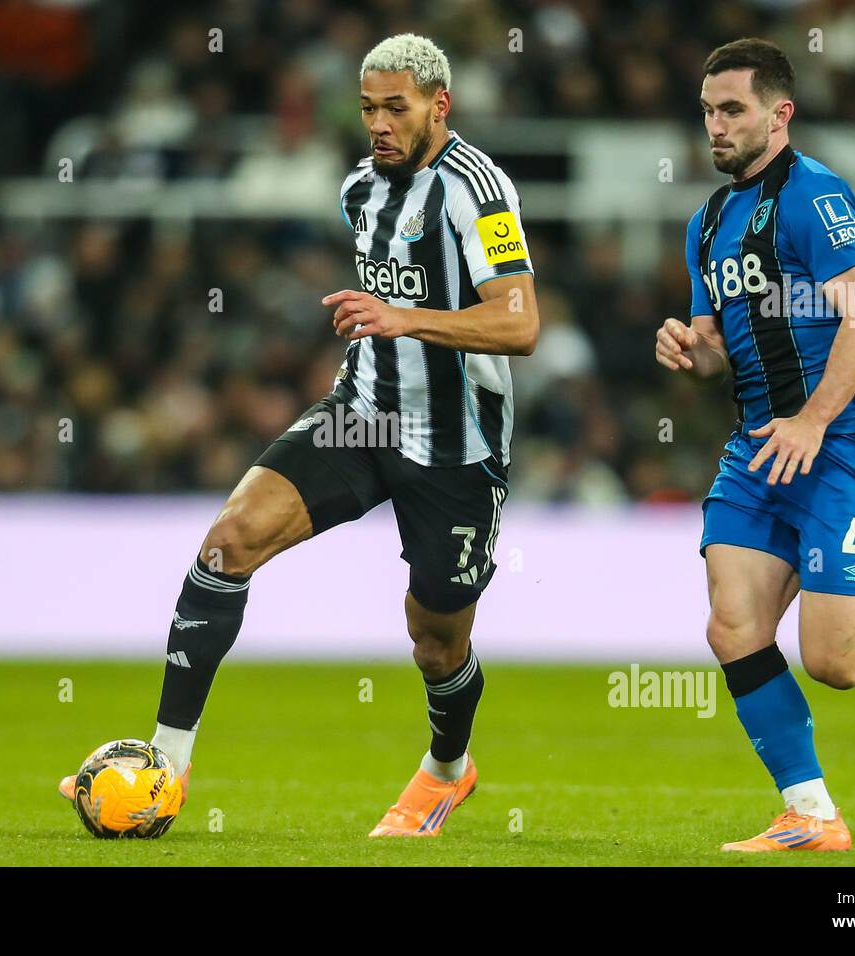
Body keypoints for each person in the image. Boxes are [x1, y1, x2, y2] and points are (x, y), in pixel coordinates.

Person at [61, 33, 538, 837]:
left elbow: (521, 322)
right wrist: (382, 330)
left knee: (436, 639)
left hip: (456, 446)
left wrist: (402, 318)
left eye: (397, 108)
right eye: (368, 109)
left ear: (438, 105)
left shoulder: (479, 190)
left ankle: (448, 770)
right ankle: (167, 767)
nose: (380, 124)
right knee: (227, 542)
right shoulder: (358, 188)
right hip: (360, 412)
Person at [655, 38, 855, 852]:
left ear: (778, 113)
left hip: (845, 451)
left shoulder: (815, 195)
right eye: (707, 112)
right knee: (732, 626)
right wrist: (693, 353)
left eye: (732, 111)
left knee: (837, 664)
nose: (716, 127)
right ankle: (812, 814)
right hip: (760, 452)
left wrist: (814, 420)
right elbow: (715, 342)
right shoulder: (710, 221)